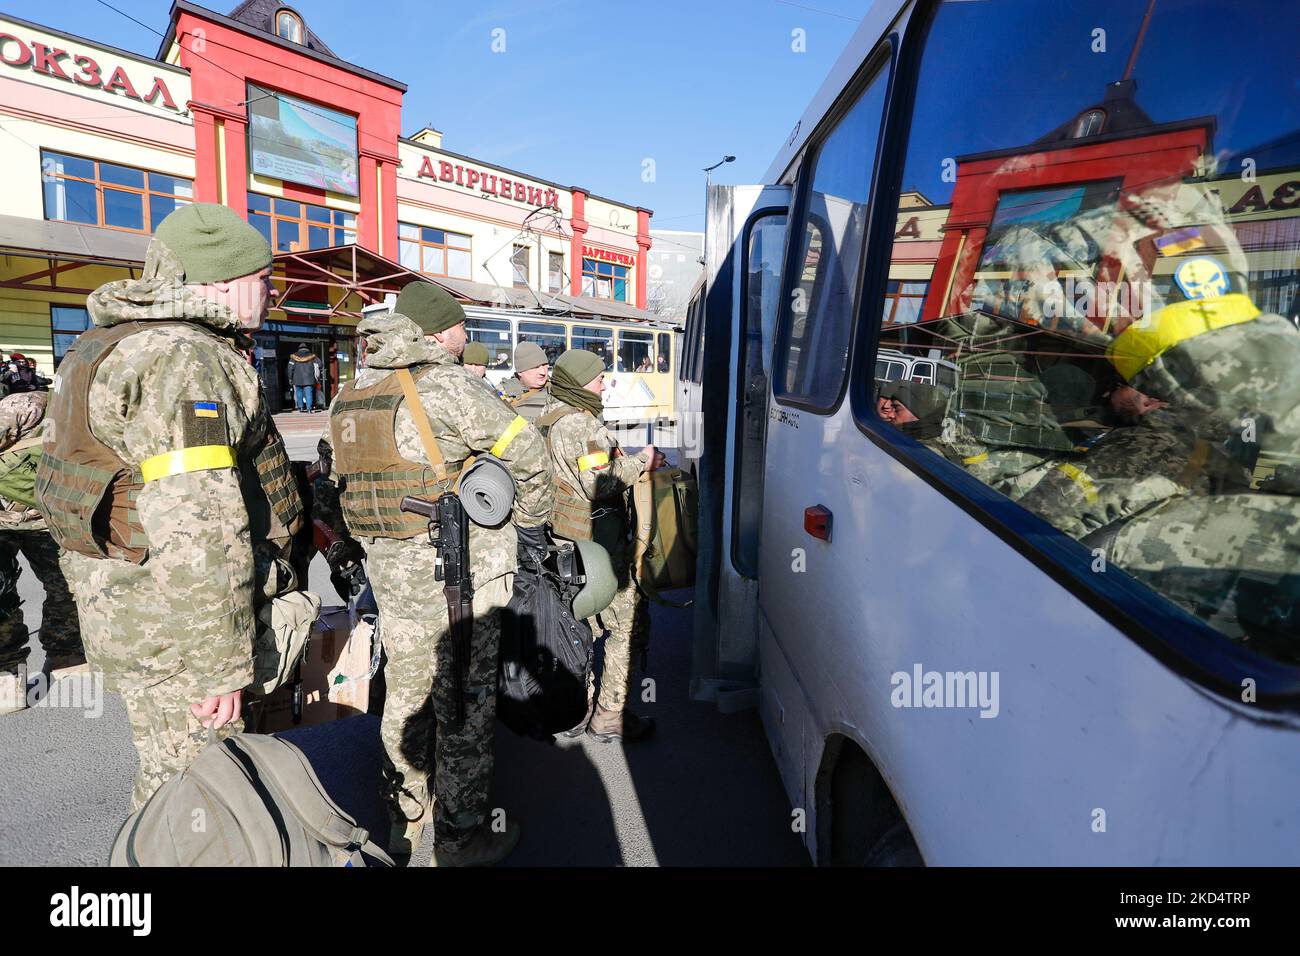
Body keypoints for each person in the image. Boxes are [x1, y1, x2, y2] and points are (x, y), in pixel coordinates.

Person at [37, 203, 306, 809]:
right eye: (262, 281)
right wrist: (221, 666)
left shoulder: (109, 344)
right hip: (179, 631)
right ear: (221, 282)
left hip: (130, 609)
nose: (268, 294)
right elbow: (199, 526)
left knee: (169, 783)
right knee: (202, 801)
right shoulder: (182, 358)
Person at [325, 280, 552, 866]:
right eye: (459, 328)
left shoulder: (353, 391)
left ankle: (404, 818)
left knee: (404, 689)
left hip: (391, 572)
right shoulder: (448, 384)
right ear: (436, 332)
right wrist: (530, 520)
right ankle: (462, 837)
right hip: (459, 572)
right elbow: (526, 451)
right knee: (464, 700)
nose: (465, 337)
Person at [536, 348, 663, 743]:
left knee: (582, 625)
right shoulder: (580, 426)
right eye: (598, 377)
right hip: (596, 548)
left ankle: (580, 705)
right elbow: (600, 483)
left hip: (565, 541)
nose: (604, 383)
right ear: (578, 382)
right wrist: (642, 461)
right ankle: (608, 714)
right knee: (623, 626)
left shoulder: (550, 417)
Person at [0, 389, 85, 715]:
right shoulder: (25, 408)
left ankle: (66, 655)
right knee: (1, 594)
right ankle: (7, 673)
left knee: (67, 586)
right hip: (3, 517)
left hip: (46, 518)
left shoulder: (97, 419)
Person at [497, 342, 555, 422]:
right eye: (536, 367)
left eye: (544, 365)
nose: (543, 372)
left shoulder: (557, 390)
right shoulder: (502, 392)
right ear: (520, 371)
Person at [288, 343, 322, 412]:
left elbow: (290, 368)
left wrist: (290, 378)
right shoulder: (312, 356)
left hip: (297, 378)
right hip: (309, 378)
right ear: (307, 348)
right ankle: (309, 409)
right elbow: (320, 364)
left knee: (299, 393)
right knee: (308, 393)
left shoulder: (294, 357)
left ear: (299, 349)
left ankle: (300, 408)